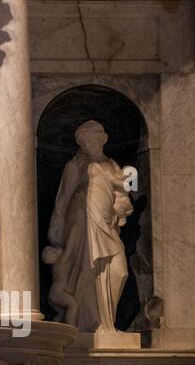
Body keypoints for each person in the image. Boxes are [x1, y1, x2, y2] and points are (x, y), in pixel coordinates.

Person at [43, 120, 134, 333]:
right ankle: (92, 325)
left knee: (119, 272)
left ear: (101, 140)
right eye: (83, 142)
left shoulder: (112, 166)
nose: (87, 146)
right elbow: (62, 200)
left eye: (91, 141)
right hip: (82, 226)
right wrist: (56, 233)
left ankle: (108, 323)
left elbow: (122, 195)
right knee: (87, 273)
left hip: (107, 226)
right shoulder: (75, 166)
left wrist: (121, 208)